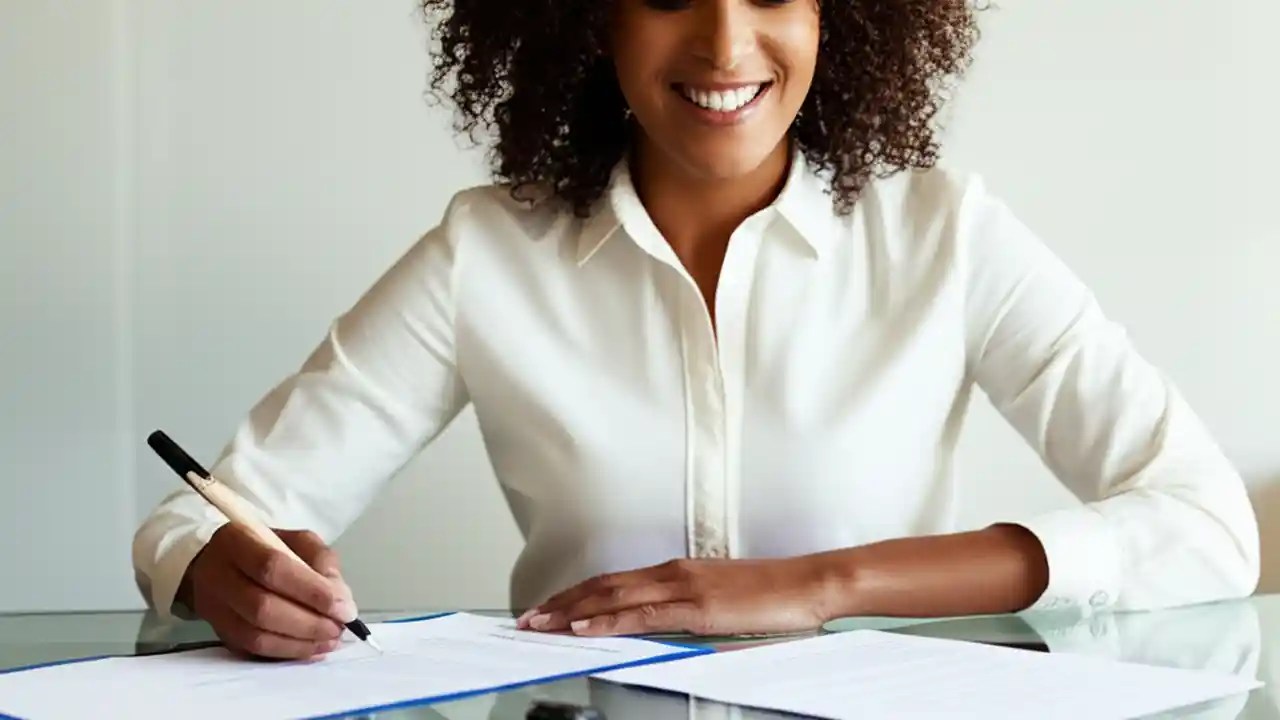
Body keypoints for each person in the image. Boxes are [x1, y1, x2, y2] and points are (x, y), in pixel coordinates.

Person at [132, 0, 1260, 660]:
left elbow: (1207, 530)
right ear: (591, 16)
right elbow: (200, 512)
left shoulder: (944, 237)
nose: (725, 48)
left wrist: (827, 583)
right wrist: (214, 569)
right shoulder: (486, 252)